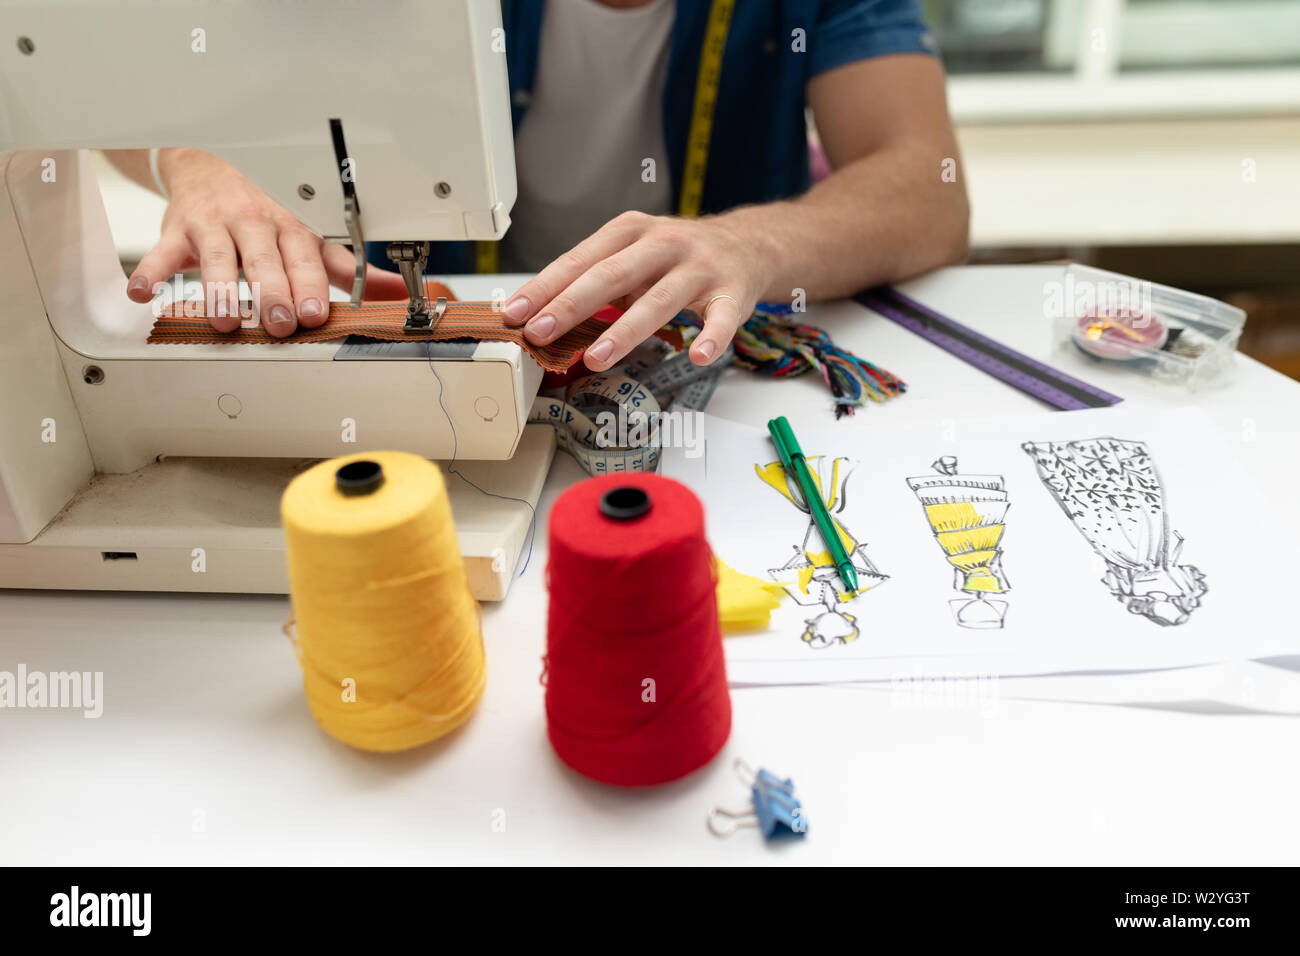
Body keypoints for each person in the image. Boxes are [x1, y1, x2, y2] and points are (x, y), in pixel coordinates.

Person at [106, 0, 968, 373]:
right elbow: (115, 80)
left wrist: (750, 244)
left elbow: (928, 188)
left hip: (707, 361)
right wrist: (192, 160)